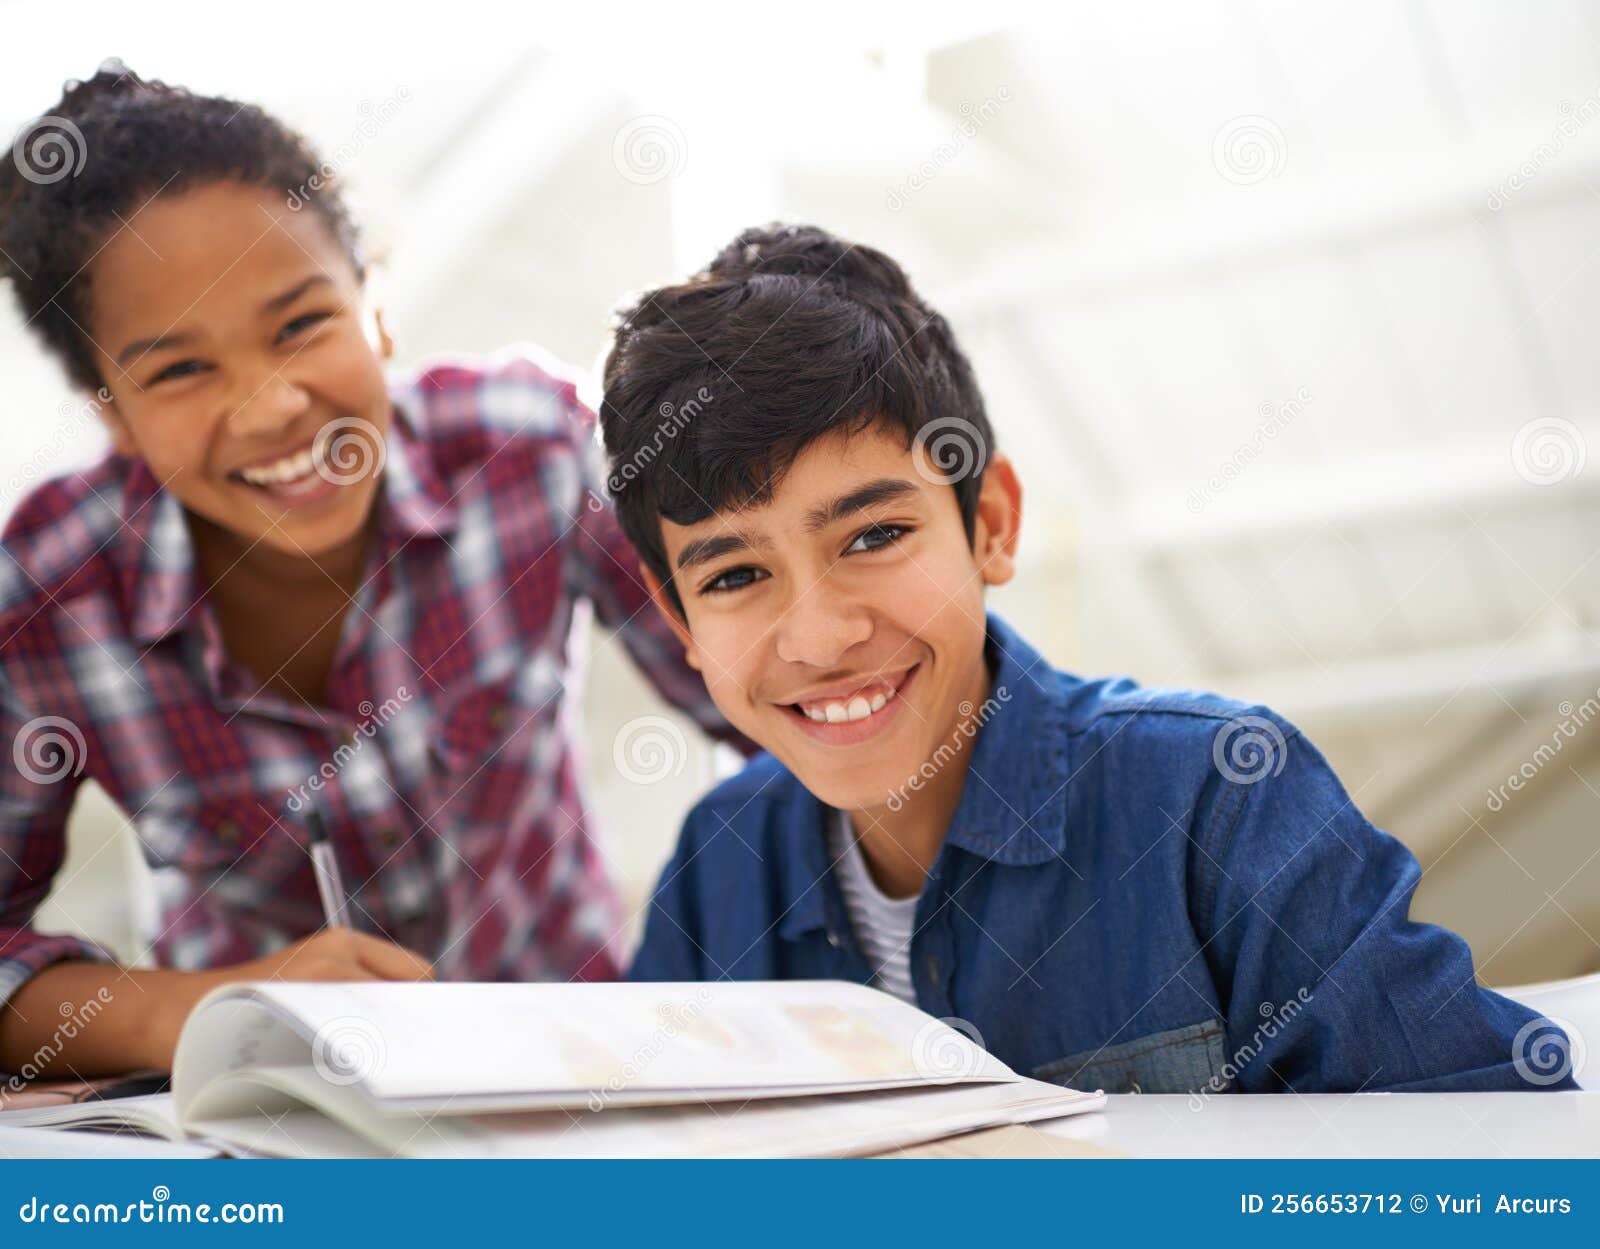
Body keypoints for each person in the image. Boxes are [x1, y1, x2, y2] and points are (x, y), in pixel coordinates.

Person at [604, 222, 1575, 1093]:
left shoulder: (1217, 799)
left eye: (871, 537)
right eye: (733, 577)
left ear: (987, 523)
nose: (819, 637)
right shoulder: (713, 868)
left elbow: (1498, 1166)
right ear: (678, 621)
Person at [0, 63, 739, 1077]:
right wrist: (220, 1007)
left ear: (376, 306)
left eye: (301, 323)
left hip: (577, 1087)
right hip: (269, 1123)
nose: (270, 407)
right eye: (179, 370)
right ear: (113, 414)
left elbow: (770, 703)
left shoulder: (529, 453)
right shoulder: (47, 598)